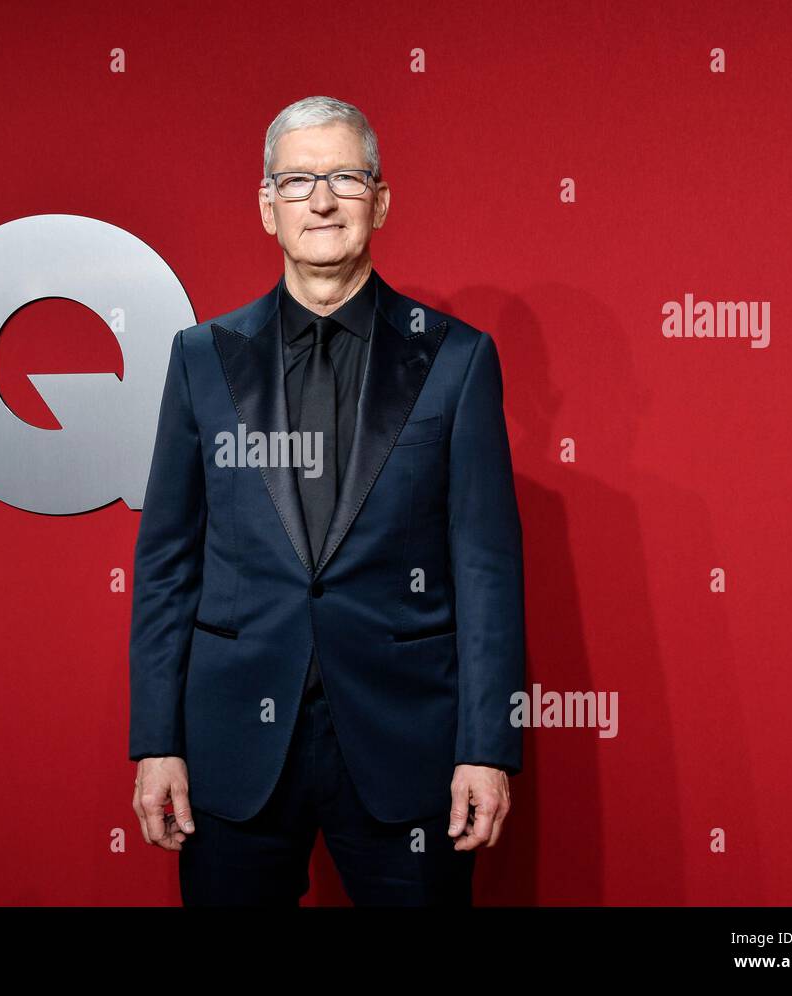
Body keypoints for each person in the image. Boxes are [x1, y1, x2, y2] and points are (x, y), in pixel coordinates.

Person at [128, 95, 525, 906]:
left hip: (407, 744)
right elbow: (167, 561)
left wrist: (487, 748)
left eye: (344, 176)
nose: (321, 199)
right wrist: (156, 740)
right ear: (266, 205)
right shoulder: (202, 359)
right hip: (233, 746)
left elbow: (485, 570)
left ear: (380, 199)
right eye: (298, 179)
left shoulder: (456, 361)